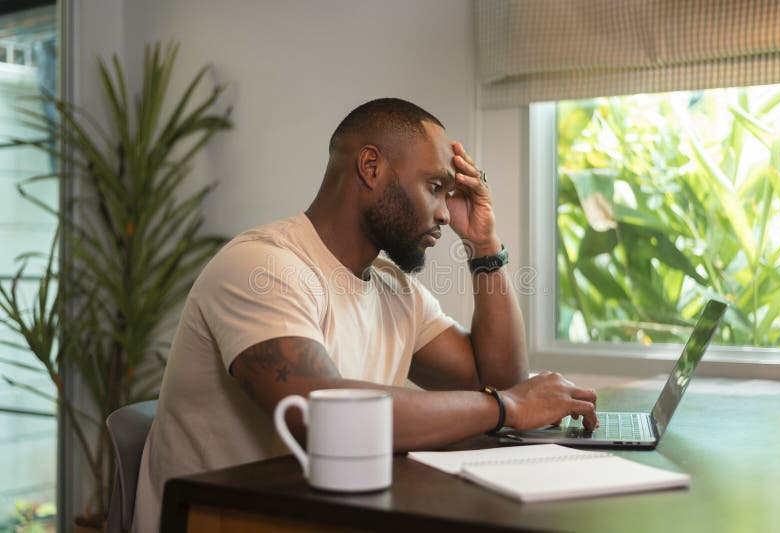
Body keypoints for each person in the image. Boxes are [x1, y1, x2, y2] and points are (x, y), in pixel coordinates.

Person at [131, 98, 598, 532]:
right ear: (371, 167)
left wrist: (483, 245)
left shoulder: (395, 289)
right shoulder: (262, 265)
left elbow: (495, 377)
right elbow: (319, 414)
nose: (442, 213)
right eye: (435, 187)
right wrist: (506, 407)